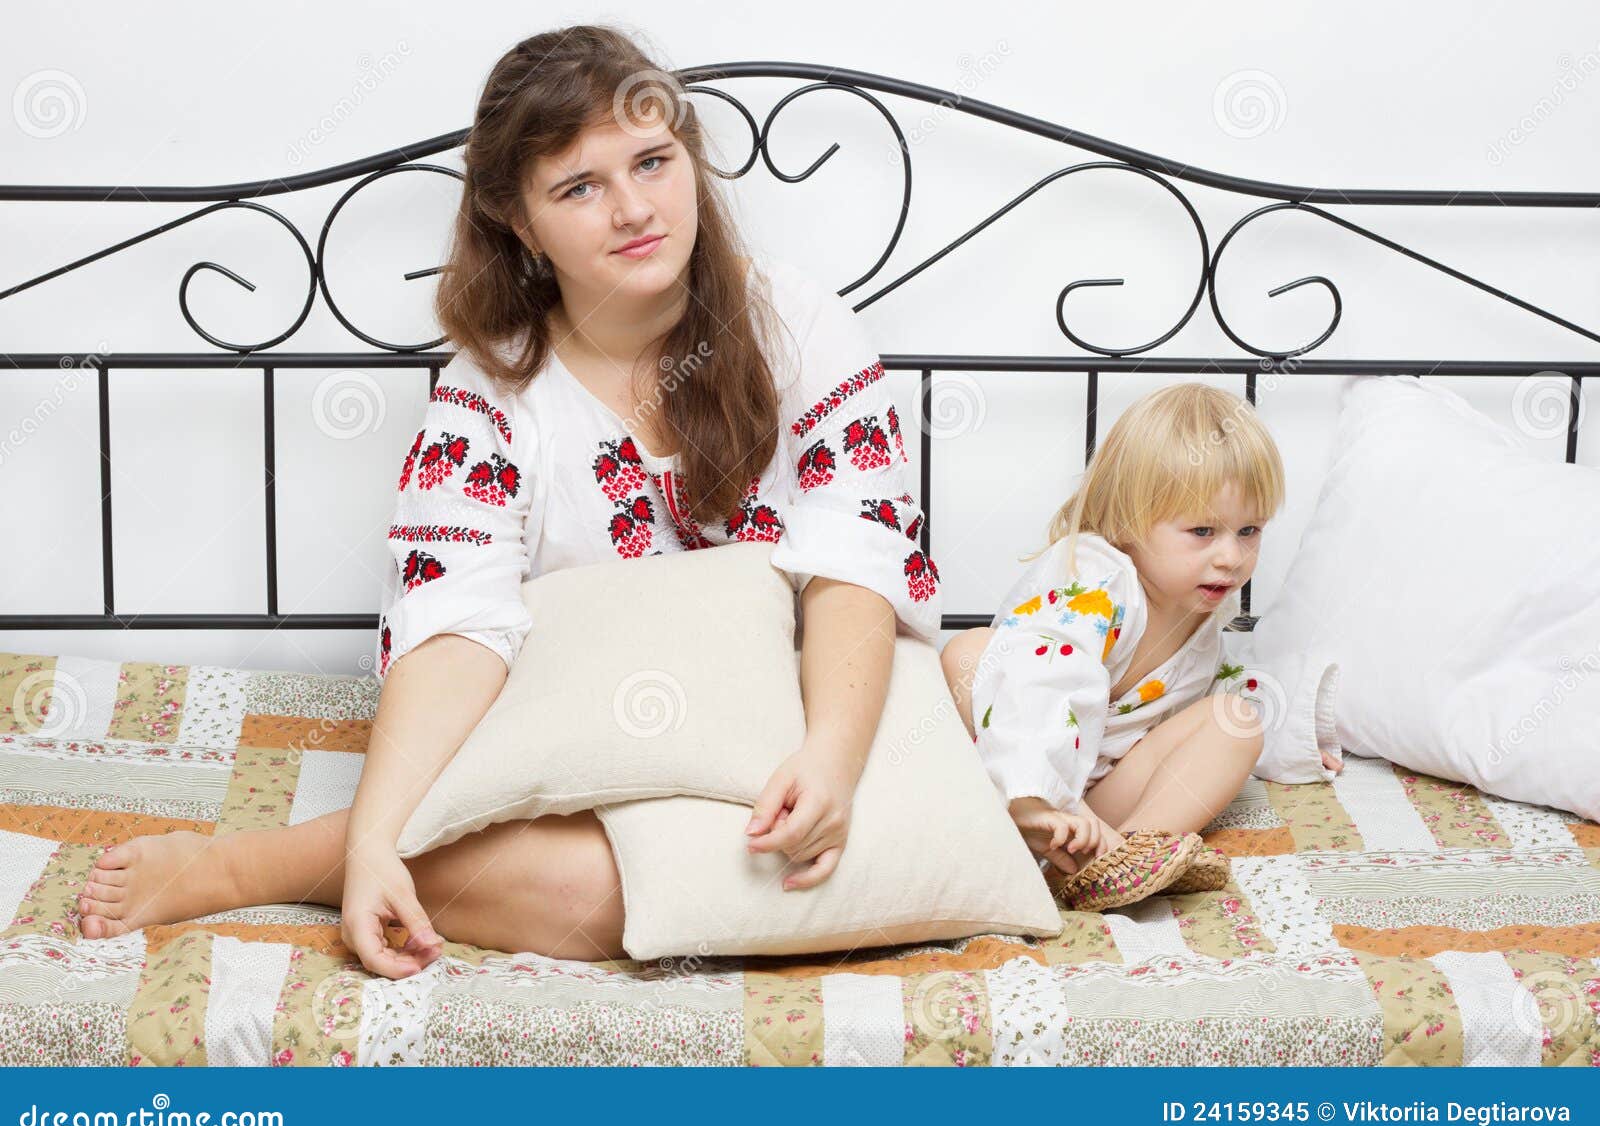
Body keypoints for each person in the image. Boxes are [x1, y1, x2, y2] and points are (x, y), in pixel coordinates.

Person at [74, 25, 942, 978]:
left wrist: (830, 759)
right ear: (520, 224)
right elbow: (457, 626)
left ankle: (309, 855)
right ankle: (262, 862)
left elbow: (857, 554)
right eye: (579, 187)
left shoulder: (796, 324)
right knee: (607, 893)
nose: (633, 209)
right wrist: (374, 844)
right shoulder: (493, 391)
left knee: (976, 686)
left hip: (798, 718)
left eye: (653, 162)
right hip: (604, 756)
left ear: (689, 160)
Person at [939, 383, 1344, 907]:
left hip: (1098, 802)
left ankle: (1123, 856)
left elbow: (1212, 700)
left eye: (1249, 531)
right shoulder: (1096, 579)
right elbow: (1042, 679)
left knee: (1237, 721)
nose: (1231, 556)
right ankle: (1030, 816)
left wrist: (1302, 741)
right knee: (968, 652)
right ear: (1128, 523)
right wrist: (1040, 795)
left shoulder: (1199, 607)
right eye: (1202, 531)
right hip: (1019, 767)